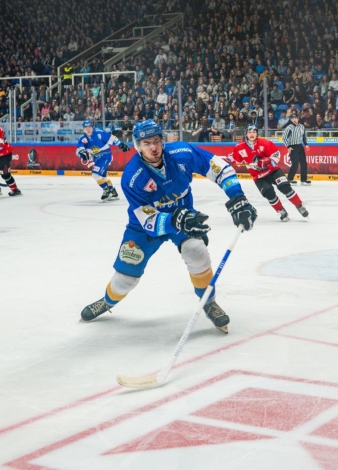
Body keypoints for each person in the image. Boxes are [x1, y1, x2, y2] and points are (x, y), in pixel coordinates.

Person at [79, 119, 258, 331]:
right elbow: (147, 219)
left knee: (197, 252)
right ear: (137, 146)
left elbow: (219, 168)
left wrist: (237, 197)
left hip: (184, 218)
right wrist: (174, 220)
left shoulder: (182, 153)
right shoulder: (132, 176)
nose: (153, 147)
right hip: (143, 228)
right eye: (146, 143)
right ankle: (108, 301)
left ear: (162, 140)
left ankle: (209, 302)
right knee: (125, 279)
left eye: (156, 141)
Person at [229, 125, 308, 222]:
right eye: (249, 132)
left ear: (257, 133)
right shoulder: (239, 147)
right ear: (246, 134)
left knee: (285, 187)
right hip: (258, 176)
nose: (252, 134)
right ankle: (281, 211)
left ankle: (299, 206)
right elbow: (235, 160)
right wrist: (228, 160)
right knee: (269, 194)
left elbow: (276, 154)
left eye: (254, 132)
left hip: (273, 171)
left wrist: (268, 160)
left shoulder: (265, 143)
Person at [76, 119, 130, 202]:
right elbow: (79, 149)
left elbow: (112, 138)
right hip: (97, 159)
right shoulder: (82, 138)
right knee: (103, 176)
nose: (88, 129)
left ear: (92, 127)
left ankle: (106, 191)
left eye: (89, 127)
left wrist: (121, 144)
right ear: (83, 129)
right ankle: (113, 192)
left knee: (95, 174)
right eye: (86, 127)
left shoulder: (99, 133)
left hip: (105, 157)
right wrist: (82, 154)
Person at [282, 113, 310, 185]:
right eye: (293, 119)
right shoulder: (289, 127)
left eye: (295, 118)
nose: (294, 120)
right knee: (295, 163)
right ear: (291, 120)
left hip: (300, 146)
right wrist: (288, 146)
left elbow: (304, 136)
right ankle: (290, 179)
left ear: (298, 119)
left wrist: (306, 144)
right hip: (293, 147)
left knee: (304, 163)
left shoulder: (302, 126)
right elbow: (284, 138)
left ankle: (303, 180)